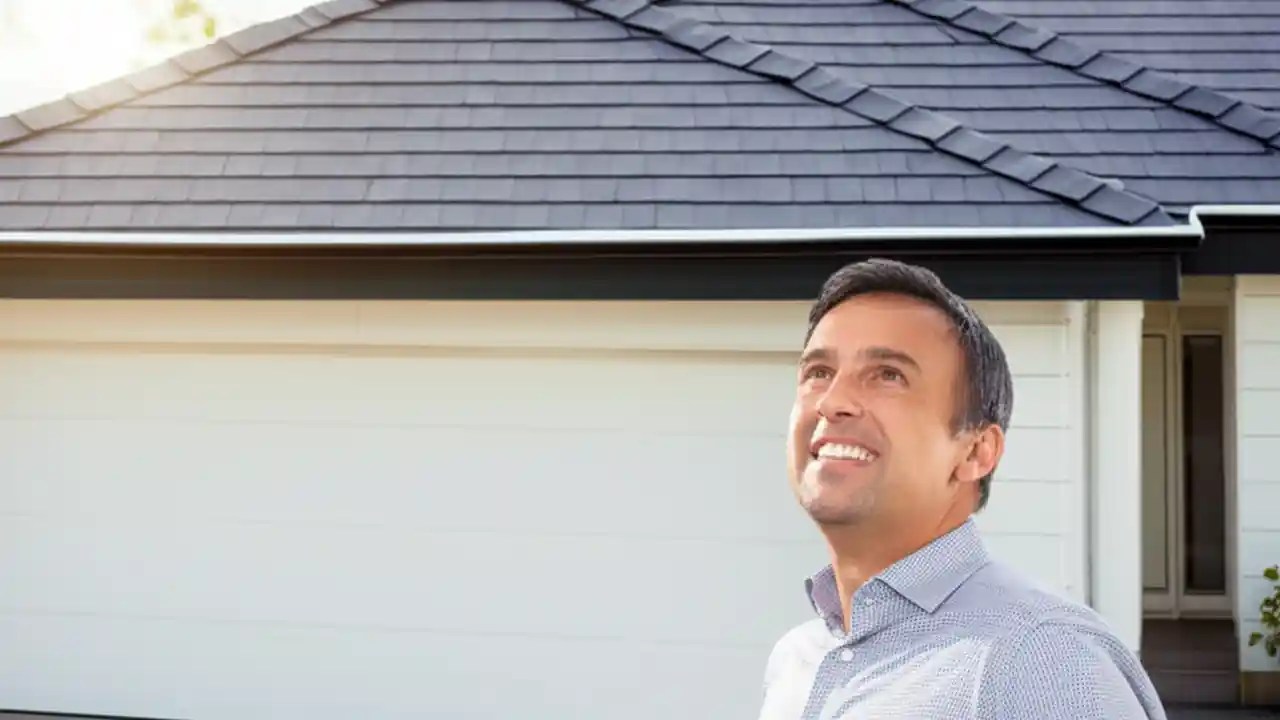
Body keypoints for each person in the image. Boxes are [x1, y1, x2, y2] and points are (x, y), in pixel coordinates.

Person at [758, 259, 1166, 720]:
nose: (832, 402)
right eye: (818, 373)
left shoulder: (1047, 662)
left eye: (889, 375)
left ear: (975, 453)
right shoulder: (796, 660)